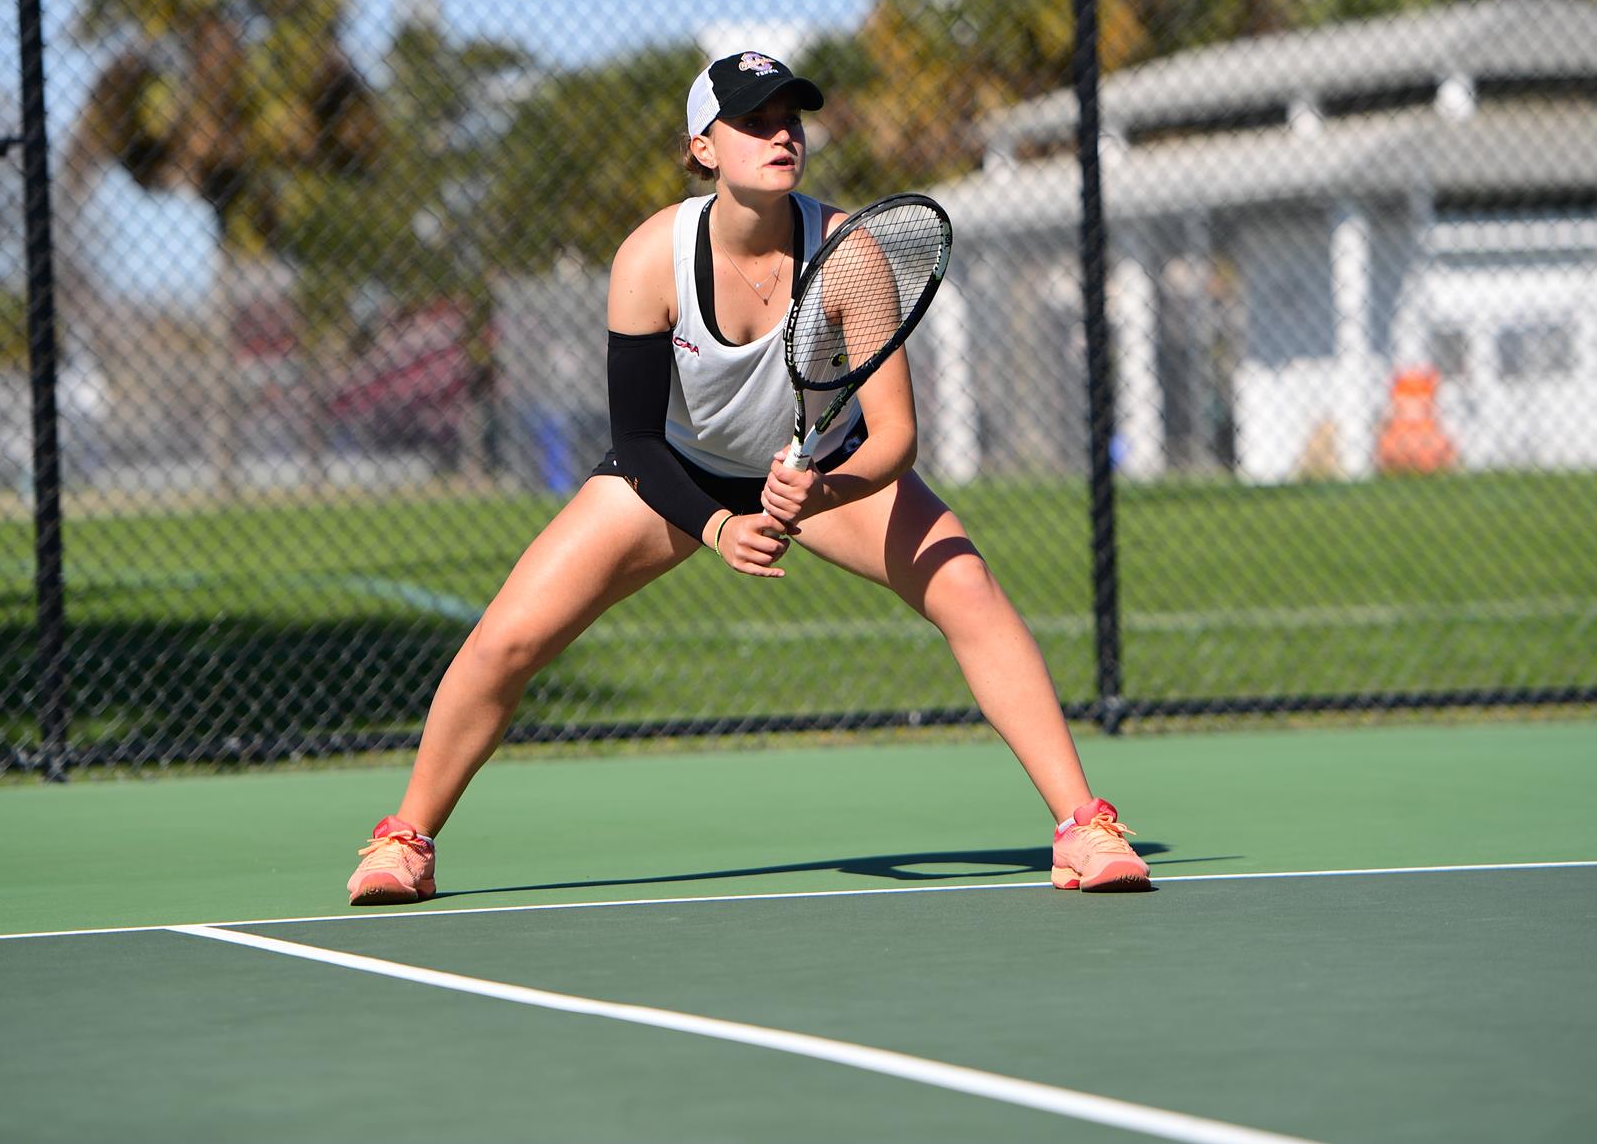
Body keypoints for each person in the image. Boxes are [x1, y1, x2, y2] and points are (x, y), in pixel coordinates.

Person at [346, 51, 1149, 904]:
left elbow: (898, 437)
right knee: (508, 636)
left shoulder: (852, 254)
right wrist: (721, 524)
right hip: (675, 467)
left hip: (823, 466)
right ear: (702, 146)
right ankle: (407, 840)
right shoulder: (650, 258)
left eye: (792, 118)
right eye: (755, 120)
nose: (782, 133)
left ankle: (1082, 827)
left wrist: (821, 491)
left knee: (965, 585)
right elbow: (636, 440)